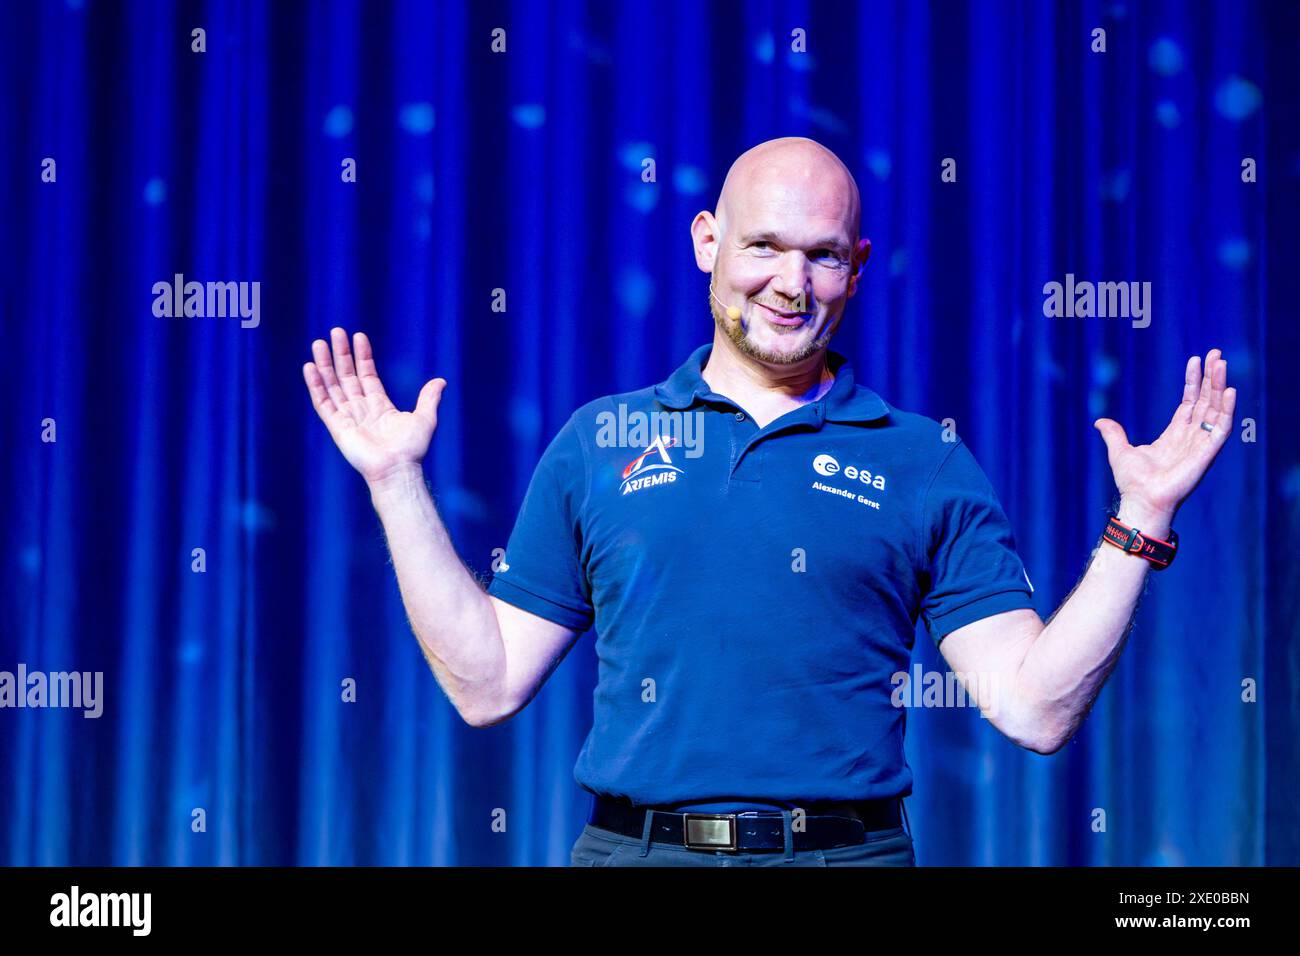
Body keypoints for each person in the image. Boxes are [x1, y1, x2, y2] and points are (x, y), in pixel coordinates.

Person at [301, 136, 1237, 866]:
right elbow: (486, 683)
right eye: (765, 248)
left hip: (849, 859)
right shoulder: (600, 441)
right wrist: (395, 484)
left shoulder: (924, 460)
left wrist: (1140, 523)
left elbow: (1035, 711)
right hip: (638, 859)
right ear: (708, 240)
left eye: (824, 257)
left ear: (859, 266)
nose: (792, 285)